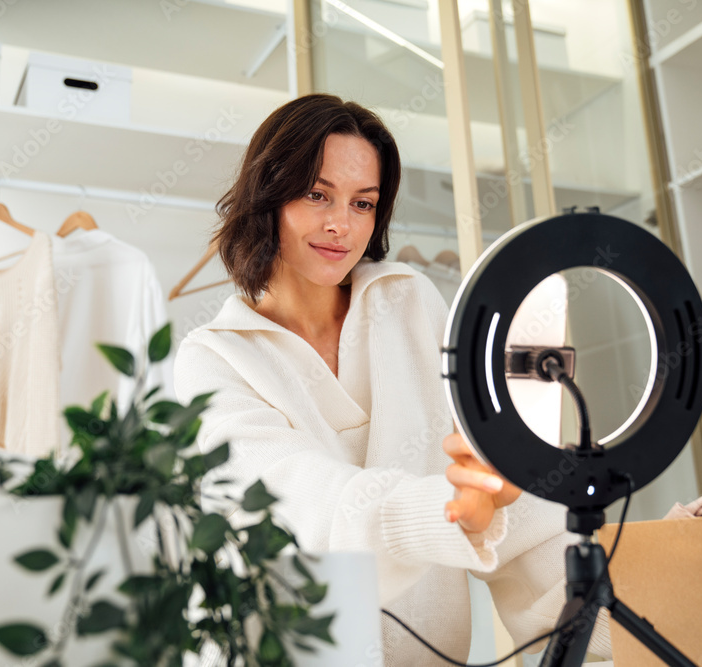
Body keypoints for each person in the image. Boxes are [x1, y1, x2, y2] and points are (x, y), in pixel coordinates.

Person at [174, 94, 611, 665]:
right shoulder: (214, 359)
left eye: (364, 203)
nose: (341, 225)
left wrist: (629, 617)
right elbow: (297, 505)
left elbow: (518, 516)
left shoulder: (407, 302)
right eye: (317, 195)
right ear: (268, 196)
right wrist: (450, 510)